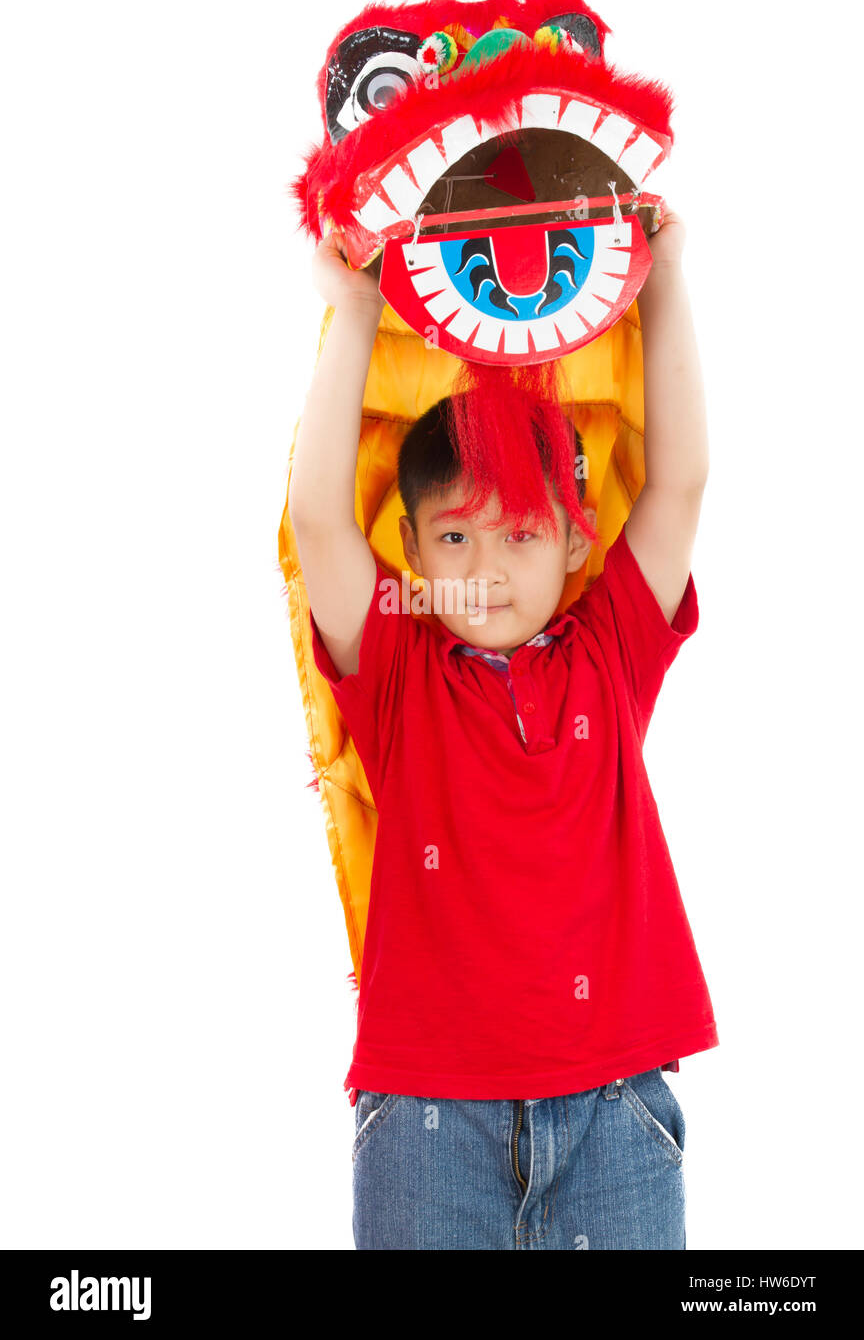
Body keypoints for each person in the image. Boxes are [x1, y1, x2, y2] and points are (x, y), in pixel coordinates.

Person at [288, 212, 718, 1250]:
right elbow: (316, 522)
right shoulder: (397, 673)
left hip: (612, 1109)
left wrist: (661, 285)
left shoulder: (608, 647)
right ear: (413, 552)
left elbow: (679, 482)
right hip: (427, 1124)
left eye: (521, 530)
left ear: (574, 536)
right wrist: (351, 310)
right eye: (454, 533)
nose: (488, 560)